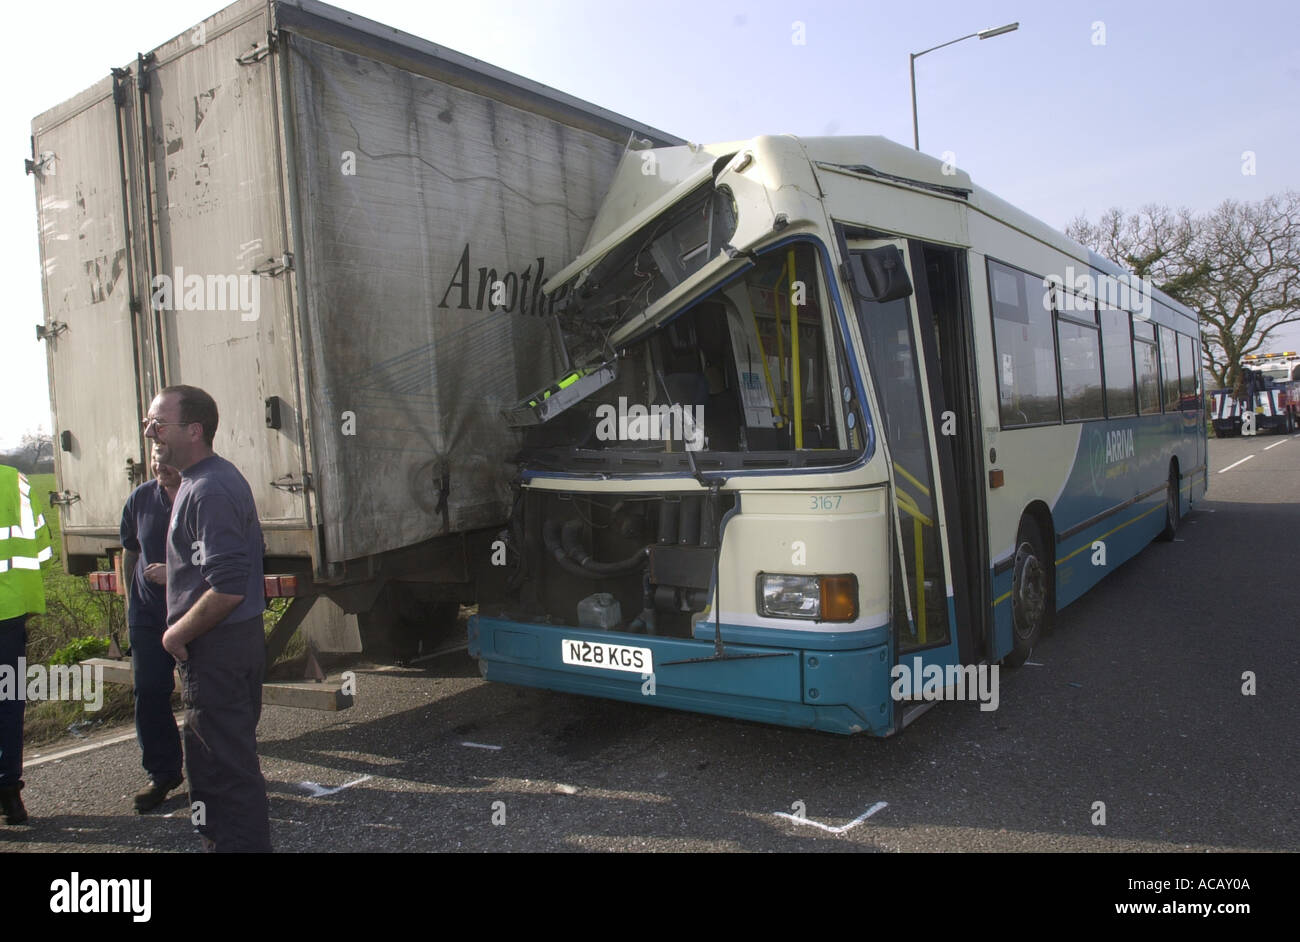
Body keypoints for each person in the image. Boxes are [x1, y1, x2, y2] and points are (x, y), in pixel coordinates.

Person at [144, 385, 272, 852]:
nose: (149, 431)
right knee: (222, 764)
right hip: (227, 645)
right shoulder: (200, 481)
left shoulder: (209, 488)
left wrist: (176, 632)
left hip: (218, 648)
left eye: (159, 423)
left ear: (193, 430)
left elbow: (229, 586)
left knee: (222, 772)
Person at [120, 454, 185, 812]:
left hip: (197, 613)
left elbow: (226, 557)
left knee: (207, 696)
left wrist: (174, 573)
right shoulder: (141, 498)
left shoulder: (204, 496)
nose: (160, 466)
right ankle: (163, 774)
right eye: (156, 460)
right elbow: (132, 552)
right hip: (148, 615)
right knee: (148, 691)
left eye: (168, 459)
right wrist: (132, 605)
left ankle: (221, 772)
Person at [0, 464, 53, 825]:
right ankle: (10, 793)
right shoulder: (14, 480)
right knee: (8, 702)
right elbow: (43, 550)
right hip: (11, 609)